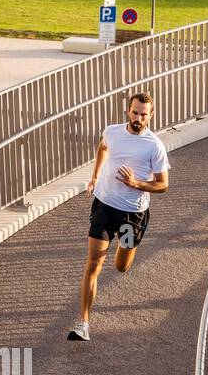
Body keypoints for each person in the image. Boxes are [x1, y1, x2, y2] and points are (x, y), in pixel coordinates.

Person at [67, 92, 169, 342]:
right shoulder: (112, 132)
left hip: (132, 215)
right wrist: (95, 176)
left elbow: (163, 185)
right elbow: (103, 147)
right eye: (135, 113)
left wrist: (136, 184)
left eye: (143, 114)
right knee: (93, 264)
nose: (138, 118)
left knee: (121, 266)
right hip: (104, 206)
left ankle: (125, 249)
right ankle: (83, 324)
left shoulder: (154, 145)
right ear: (128, 111)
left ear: (151, 115)